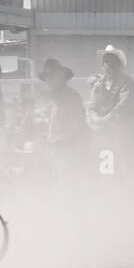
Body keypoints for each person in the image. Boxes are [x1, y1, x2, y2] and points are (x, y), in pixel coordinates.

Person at [87, 45, 134, 190]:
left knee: (124, 159)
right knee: (104, 158)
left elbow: (124, 104)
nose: (109, 65)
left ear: (118, 64)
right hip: (104, 131)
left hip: (122, 129)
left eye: (112, 61)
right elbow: (92, 105)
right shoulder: (100, 84)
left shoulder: (126, 81)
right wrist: (95, 117)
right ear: (103, 65)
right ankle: (107, 188)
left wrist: (106, 119)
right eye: (106, 62)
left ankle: (127, 190)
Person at [36, 58, 90, 186]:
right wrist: (47, 137)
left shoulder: (71, 96)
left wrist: (57, 141)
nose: (49, 80)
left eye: (52, 75)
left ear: (61, 76)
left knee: (66, 184)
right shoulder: (54, 98)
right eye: (47, 77)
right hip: (57, 148)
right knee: (56, 183)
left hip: (69, 150)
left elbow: (75, 126)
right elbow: (53, 123)